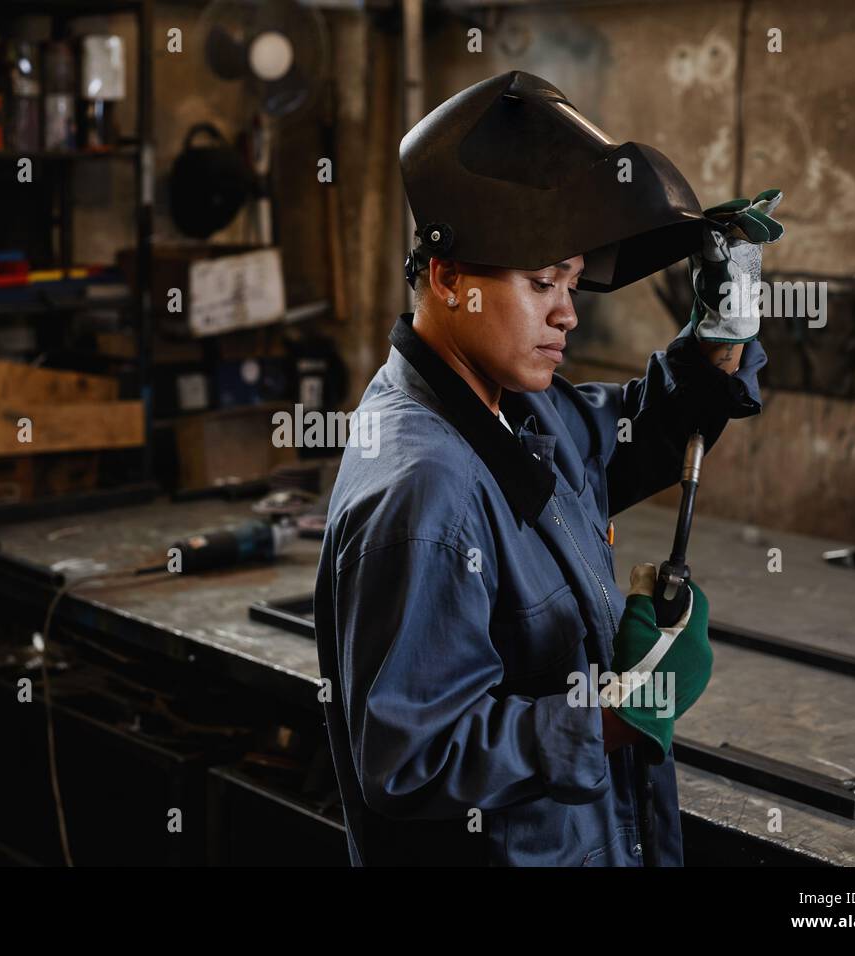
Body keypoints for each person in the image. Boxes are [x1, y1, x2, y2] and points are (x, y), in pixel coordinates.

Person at [313, 71, 783, 866]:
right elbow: (412, 759)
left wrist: (721, 329)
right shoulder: (426, 486)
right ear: (447, 277)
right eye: (540, 284)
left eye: (569, 282)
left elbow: (637, 436)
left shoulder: (520, 410)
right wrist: (618, 713)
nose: (568, 312)